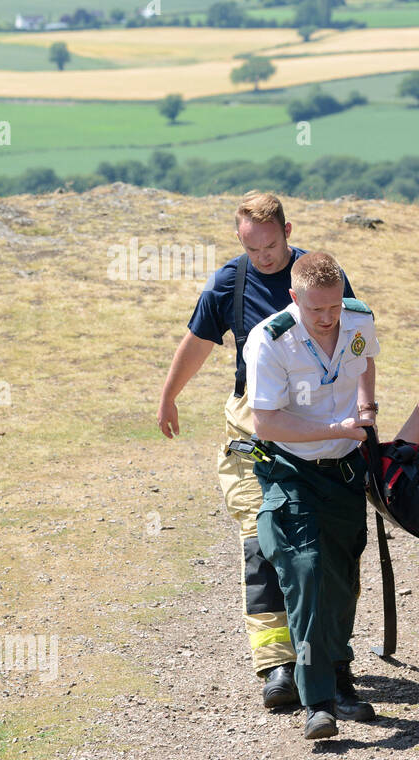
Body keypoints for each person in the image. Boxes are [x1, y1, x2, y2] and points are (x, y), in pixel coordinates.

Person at [157, 192, 356, 710]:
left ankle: (324, 656)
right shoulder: (230, 282)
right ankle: (275, 665)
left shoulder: (319, 275)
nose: (262, 257)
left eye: (270, 246)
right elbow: (199, 341)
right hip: (252, 426)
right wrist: (169, 394)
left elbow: (352, 344)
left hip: (312, 423)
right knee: (260, 539)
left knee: (318, 547)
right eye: (252, 247)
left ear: (288, 231)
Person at [244, 251, 378, 740]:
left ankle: (341, 679)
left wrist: (366, 407)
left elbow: (364, 362)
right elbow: (267, 421)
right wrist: (333, 426)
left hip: (344, 470)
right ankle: (316, 700)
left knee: (342, 575)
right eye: (317, 310)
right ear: (293, 298)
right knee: (305, 572)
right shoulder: (270, 341)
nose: (328, 319)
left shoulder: (357, 316)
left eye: (335, 308)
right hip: (290, 471)